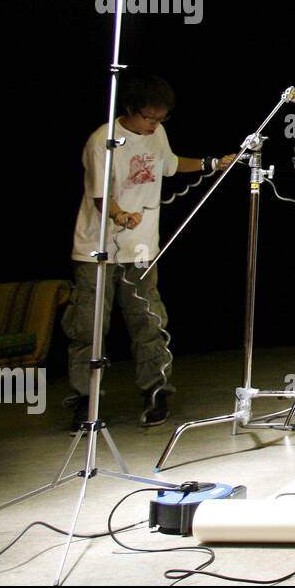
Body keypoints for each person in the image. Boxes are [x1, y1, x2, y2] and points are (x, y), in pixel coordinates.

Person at [62, 74, 235, 428]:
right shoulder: (104, 141)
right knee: (88, 327)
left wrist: (211, 163)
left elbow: (169, 165)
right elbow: (99, 196)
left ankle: (156, 392)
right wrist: (120, 215)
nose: (154, 125)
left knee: (149, 322)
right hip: (96, 250)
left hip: (141, 250)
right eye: (148, 118)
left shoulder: (156, 134)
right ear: (129, 109)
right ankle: (85, 399)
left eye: (161, 119)